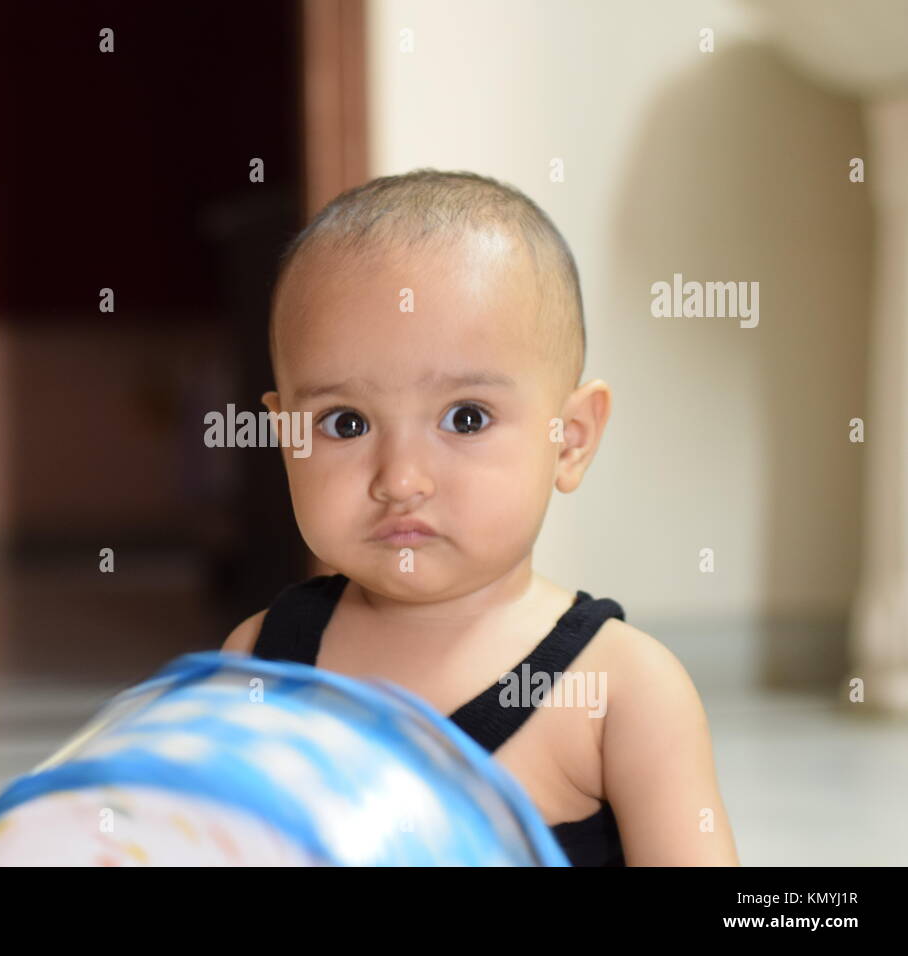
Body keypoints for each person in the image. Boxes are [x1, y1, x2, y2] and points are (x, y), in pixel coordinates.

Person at [222, 169, 739, 866]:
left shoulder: (622, 692)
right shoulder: (259, 661)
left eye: (466, 418)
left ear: (571, 438)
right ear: (285, 438)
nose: (400, 480)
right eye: (345, 422)